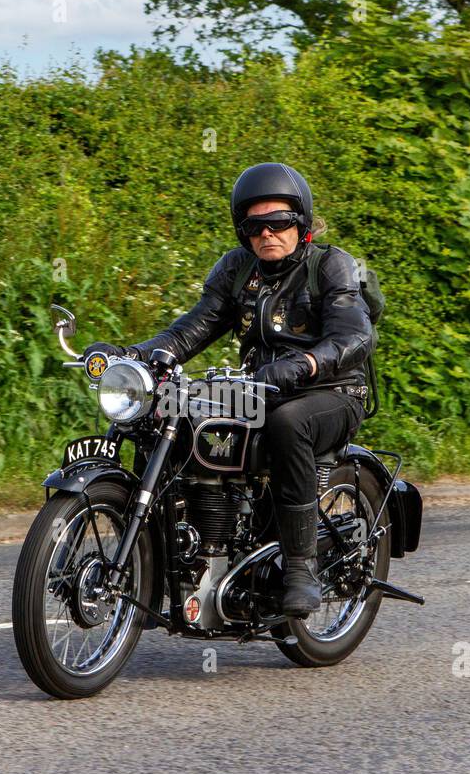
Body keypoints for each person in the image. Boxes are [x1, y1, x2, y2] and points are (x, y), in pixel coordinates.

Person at [83, 162, 374, 617]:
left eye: (278, 223)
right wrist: (132, 355)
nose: (267, 234)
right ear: (244, 231)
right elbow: (191, 330)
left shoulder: (330, 265)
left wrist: (305, 363)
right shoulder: (239, 269)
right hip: (258, 388)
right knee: (165, 414)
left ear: (300, 222)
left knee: (288, 421)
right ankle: (181, 552)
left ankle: (301, 567)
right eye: (256, 226)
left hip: (332, 391)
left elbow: (355, 335)